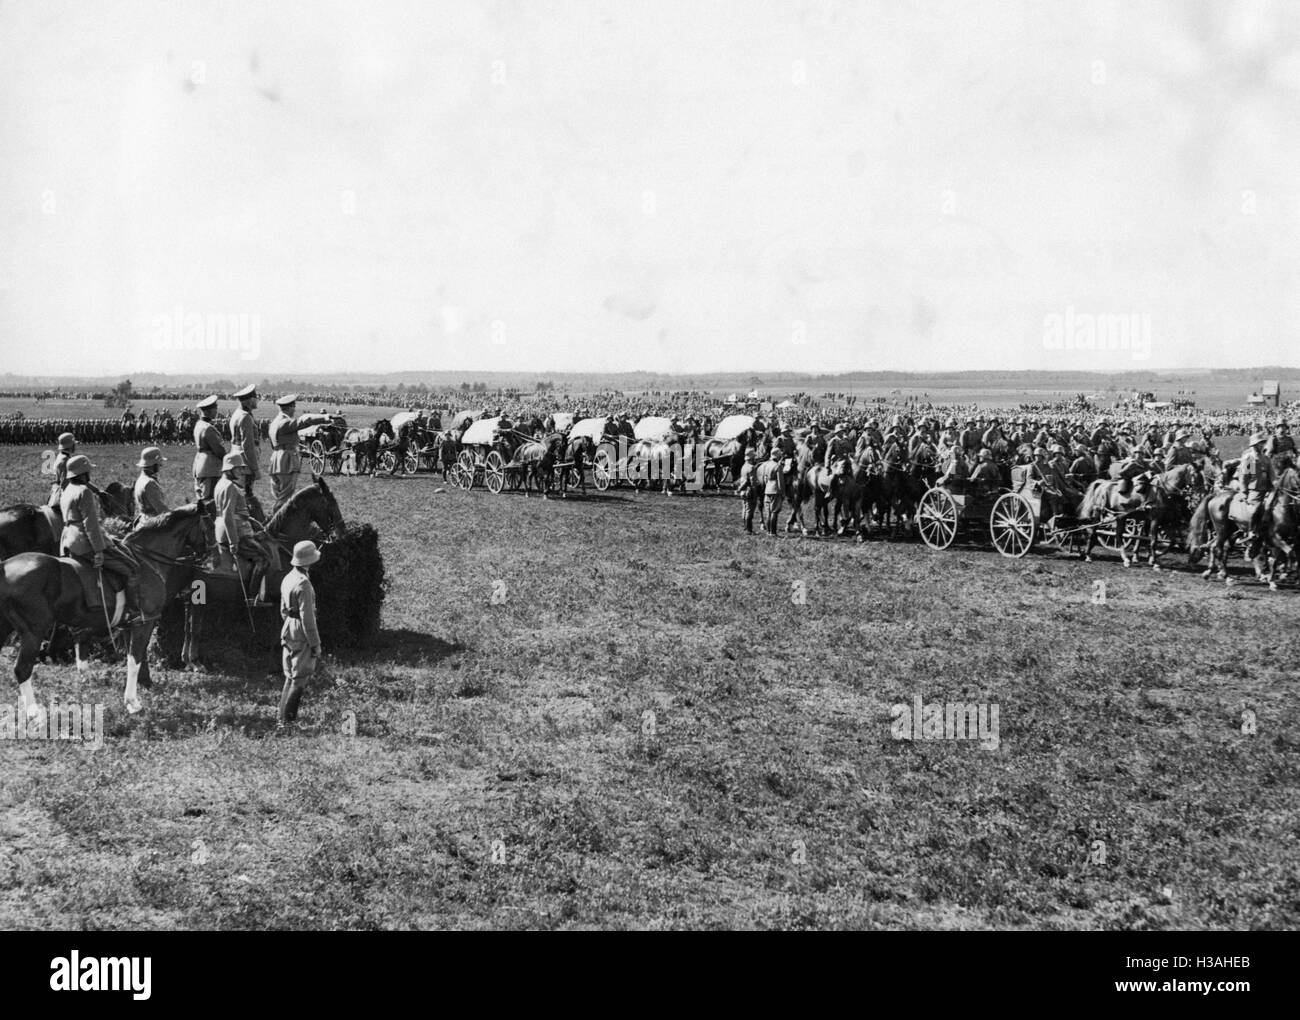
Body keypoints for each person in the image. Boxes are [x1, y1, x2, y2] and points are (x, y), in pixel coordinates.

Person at [60, 454, 142, 623]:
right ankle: (131, 612)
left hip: (68, 538)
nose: (90, 474)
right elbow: (90, 524)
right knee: (132, 568)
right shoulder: (84, 492)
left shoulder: (67, 489)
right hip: (84, 541)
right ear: (83, 474)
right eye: (88, 471)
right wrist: (99, 551)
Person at [214, 451, 272, 605]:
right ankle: (252, 598)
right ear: (229, 469)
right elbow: (228, 516)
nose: (241, 471)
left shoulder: (220, 484)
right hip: (237, 532)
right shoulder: (230, 487)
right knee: (264, 559)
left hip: (221, 528)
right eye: (238, 468)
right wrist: (234, 542)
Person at [278, 539, 323, 730]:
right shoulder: (304, 583)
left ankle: (281, 720)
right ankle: (288, 723)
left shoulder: (288, 577)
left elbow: (283, 610)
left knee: (290, 675)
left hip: (288, 626)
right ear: (309, 561)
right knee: (300, 677)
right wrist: (315, 643)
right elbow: (308, 619)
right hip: (301, 630)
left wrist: (289, 626)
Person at [268, 395, 333, 513]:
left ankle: (276, 522)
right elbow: (304, 420)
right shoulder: (285, 422)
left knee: (279, 495)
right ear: (289, 407)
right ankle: (279, 525)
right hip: (286, 461)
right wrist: (325, 417)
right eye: (294, 407)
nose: (294, 410)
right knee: (285, 497)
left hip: (275, 460)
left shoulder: (274, 423)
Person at [229, 384, 262, 498]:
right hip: (245, 464)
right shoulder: (245, 417)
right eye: (255, 398)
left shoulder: (237, 414)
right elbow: (248, 446)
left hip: (236, 460)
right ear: (249, 400)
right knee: (245, 498)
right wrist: (255, 468)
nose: (257, 401)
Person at [192, 395, 226, 501]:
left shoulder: (199, 425)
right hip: (210, 468)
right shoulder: (208, 428)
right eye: (215, 408)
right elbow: (219, 450)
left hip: (199, 464)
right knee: (210, 501)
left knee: (202, 500)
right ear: (210, 410)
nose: (216, 411)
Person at [133, 447, 170, 518]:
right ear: (154, 464)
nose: (161, 465)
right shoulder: (149, 483)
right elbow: (161, 510)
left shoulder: (140, 479)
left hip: (144, 519)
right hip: (153, 523)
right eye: (159, 463)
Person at [755, 447, 784, 535]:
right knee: (774, 512)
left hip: (767, 489)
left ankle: (768, 531)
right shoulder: (778, 466)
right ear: (778, 456)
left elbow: (765, 478)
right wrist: (782, 492)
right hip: (775, 490)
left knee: (768, 512)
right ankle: (773, 532)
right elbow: (780, 481)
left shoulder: (766, 465)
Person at [736, 449, 760, 533]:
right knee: (749, 511)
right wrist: (756, 491)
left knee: (745, 509)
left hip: (743, 491)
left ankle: (745, 527)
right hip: (750, 491)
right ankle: (749, 530)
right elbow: (753, 482)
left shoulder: (743, 466)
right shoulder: (751, 468)